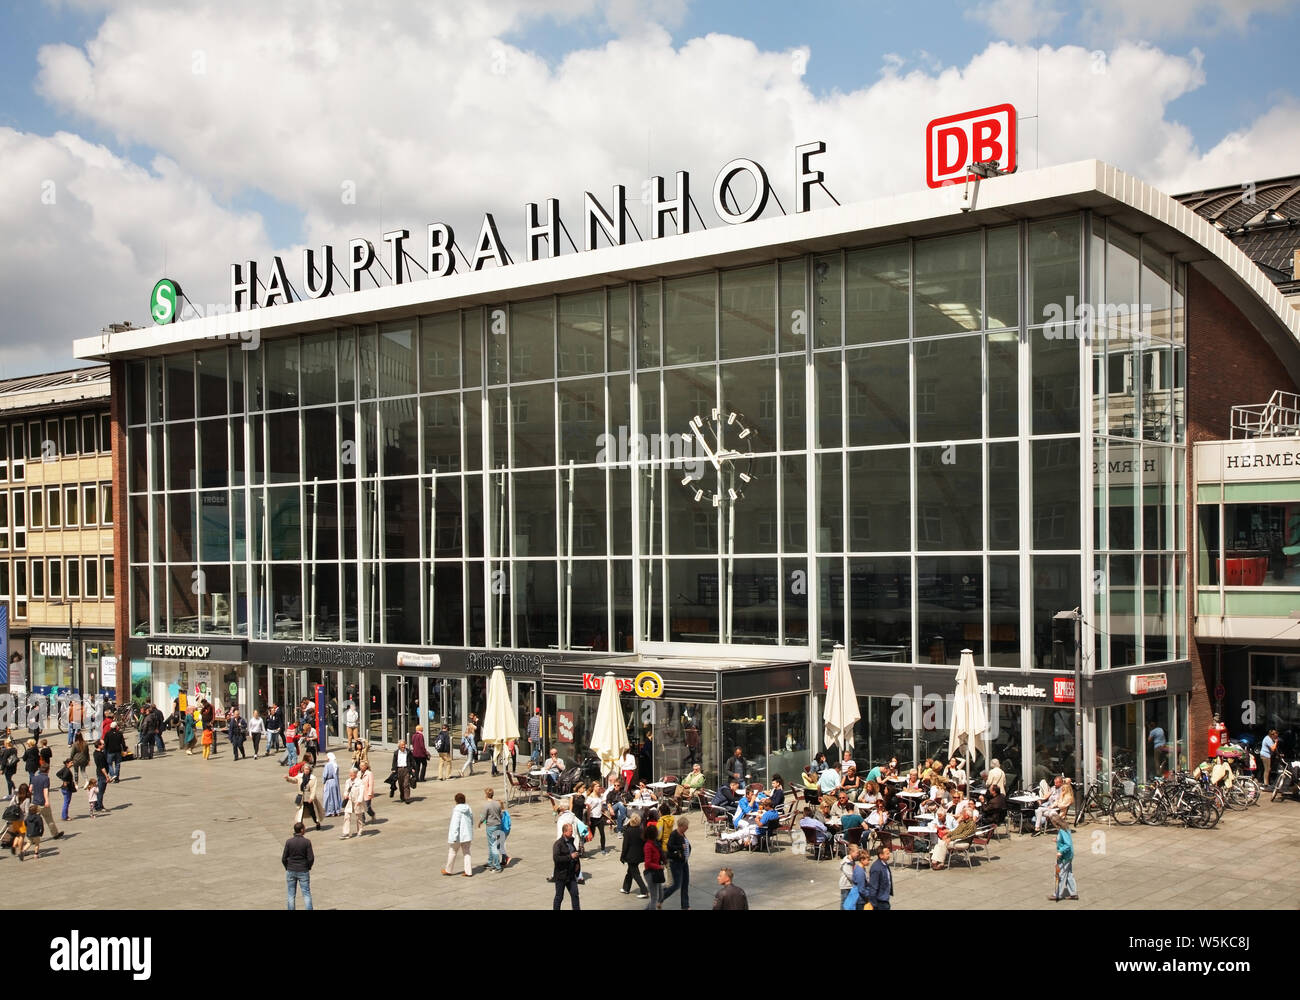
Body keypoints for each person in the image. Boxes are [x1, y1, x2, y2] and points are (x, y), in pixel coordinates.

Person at [282, 822, 315, 910]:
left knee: (291, 894)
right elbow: (311, 858)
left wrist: (287, 867)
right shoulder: (306, 842)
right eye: (304, 828)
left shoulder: (289, 842)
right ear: (301, 830)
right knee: (306, 894)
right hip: (303, 870)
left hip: (291, 870)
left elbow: (284, 858)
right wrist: (308, 867)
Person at [661, 816, 691, 910]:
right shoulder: (674, 834)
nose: (687, 828)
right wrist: (680, 847)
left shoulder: (682, 834)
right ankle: (660, 898)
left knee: (685, 883)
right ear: (681, 826)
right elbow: (669, 847)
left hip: (684, 862)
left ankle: (685, 906)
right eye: (686, 826)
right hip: (676, 863)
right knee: (676, 885)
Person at [619, 811, 649, 898]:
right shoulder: (641, 831)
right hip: (639, 855)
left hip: (631, 856)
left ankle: (644, 891)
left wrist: (622, 856)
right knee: (630, 871)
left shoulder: (628, 832)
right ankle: (626, 888)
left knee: (635, 873)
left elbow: (625, 845)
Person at [30, 763, 63, 841]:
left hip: (34, 802)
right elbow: (45, 790)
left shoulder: (34, 778)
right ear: (48, 770)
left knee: (33, 821)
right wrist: (47, 801)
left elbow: (30, 789)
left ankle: (31, 838)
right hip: (42, 803)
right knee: (49, 819)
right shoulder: (46, 778)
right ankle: (55, 834)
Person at [444, 791, 474, 876]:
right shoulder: (468, 808)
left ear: (456, 801)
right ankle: (468, 872)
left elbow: (455, 824)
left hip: (458, 836)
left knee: (452, 852)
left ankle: (448, 870)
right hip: (467, 835)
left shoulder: (457, 810)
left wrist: (453, 836)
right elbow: (471, 820)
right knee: (467, 853)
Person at [552, 822, 581, 910]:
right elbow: (556, 858)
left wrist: (577, 864)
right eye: (570, 831)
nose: (572, 833)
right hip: (561, 875)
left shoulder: (571, 841)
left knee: (575, 894)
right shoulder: (558, 844)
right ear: (564, 832)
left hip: (571, 874)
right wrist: (570, 857)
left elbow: (574, 854)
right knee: (559, 897)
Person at [479, 786, 506, 872]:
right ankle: (490, 862)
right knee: (493, 845)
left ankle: (497, 866)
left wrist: (479, 823)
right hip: (498, 825)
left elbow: (483, 817)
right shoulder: (497, 803)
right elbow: (501, 815)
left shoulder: (486, 805)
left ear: (486, 795)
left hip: (491, 826)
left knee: (493, 846)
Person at [1049, 823, 1078, 901]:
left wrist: (1060, 851)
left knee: (1060, 875)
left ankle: (1057, 894)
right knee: (1069, 874)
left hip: (1064, 857)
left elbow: (1067, 844)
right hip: (1069, 856)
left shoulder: (1062, 831)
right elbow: (1066, 841)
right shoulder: (1066, 828)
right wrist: (1057, 840)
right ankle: (1073, 893)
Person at [292, 762, 323, 831]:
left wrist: (311, 798)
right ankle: (300, 826)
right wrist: (288, 778)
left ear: (310, 770)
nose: (306, 770)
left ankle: (317, 822)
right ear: (303, 769)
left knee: (312, 812)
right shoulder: (300, 776)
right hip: (301, 797)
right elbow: (294, 780)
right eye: (305, 769)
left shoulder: (313, 778)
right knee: (300, 812)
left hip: (308, 798)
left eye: (308, 769)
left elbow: (313, 789)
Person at [643, 819, 666, 909]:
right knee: (654, 898)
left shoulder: (655, 843)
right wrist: (659, 866)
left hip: (657, 872)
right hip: (651, 873)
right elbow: (647, 864)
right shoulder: (648, 846)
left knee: (660, 896)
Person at [340, 767, 365, 839]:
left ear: (356, 774)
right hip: (349, 801)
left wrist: (359, 801)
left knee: (359, 817)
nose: (350, 775)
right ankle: (345, 832)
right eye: (350, 773)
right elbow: (346, 790)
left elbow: (361, 792)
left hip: (357, 801)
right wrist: (345, 795)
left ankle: (359, 831)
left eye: (352, 773)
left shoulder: (360, 782)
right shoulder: (347, 781)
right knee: (346, 816)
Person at [92, 739, 110, 813]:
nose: (104, 745)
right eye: (102, 744)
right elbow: (102, 767)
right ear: (99, 745)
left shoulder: (96, 752)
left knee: (99, 790)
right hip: (102, 774)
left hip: (100, 773)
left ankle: (96, 805)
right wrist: (107, 776)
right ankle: (99, 806)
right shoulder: (99, 755)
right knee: (101, 791)